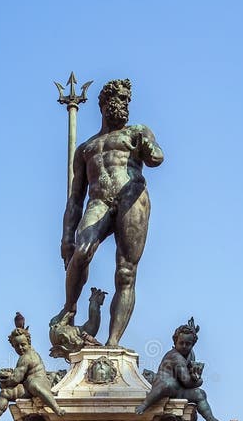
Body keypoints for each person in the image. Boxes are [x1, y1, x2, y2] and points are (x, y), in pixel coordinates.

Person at [56, 79, 164, 347]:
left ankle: (113, 342)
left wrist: (150, 149)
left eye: (128, 100)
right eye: (120, 99)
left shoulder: (137, 132)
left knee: (126, 272)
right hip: (99, 200)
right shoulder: (86, 148)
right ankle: (69, 308)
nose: (125, 104)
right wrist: (66, 235)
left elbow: (157, 158)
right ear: (105, 104)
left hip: (132, 197)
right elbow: (75, 198)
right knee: (81, 251)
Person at [135, 321, 224, 421]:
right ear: (175, 342)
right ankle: (145, 404)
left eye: (188, 344)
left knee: (200, 394)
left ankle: (210, 419)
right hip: (166, 386)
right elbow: (187, 382)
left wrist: (195, 373)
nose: (184, 346)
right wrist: (199, 380)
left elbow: (189, 375)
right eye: (181, 343)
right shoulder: (176, 357)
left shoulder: (190, 354)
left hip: (178, 389)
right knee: (167, 384)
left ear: (193, 344)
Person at [0, 326, 65, 421]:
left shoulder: (26, 357)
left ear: (29, 343)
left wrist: (5, 380)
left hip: (39, 381)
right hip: (27, 386)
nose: (20, 348)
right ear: (13, 346)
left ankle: (56, 408)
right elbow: (18, 376)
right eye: (17, 346)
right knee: (5, 393)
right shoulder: (25, 356)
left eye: (23, 344)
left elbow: (16, 378)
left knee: (35, 386)